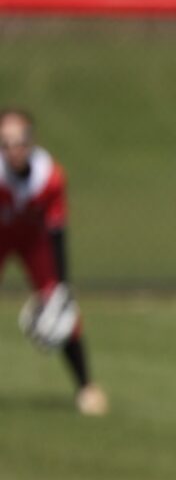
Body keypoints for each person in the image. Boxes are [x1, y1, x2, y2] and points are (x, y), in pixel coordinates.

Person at [1, 108, 106, 416]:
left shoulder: (50, 177)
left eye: (18, 142)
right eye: (4, 143)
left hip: (34, 240)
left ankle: (86, 387)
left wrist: (62, 284)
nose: (12, 150)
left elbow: (57, 230)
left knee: (60, 307)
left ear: (31, 142)